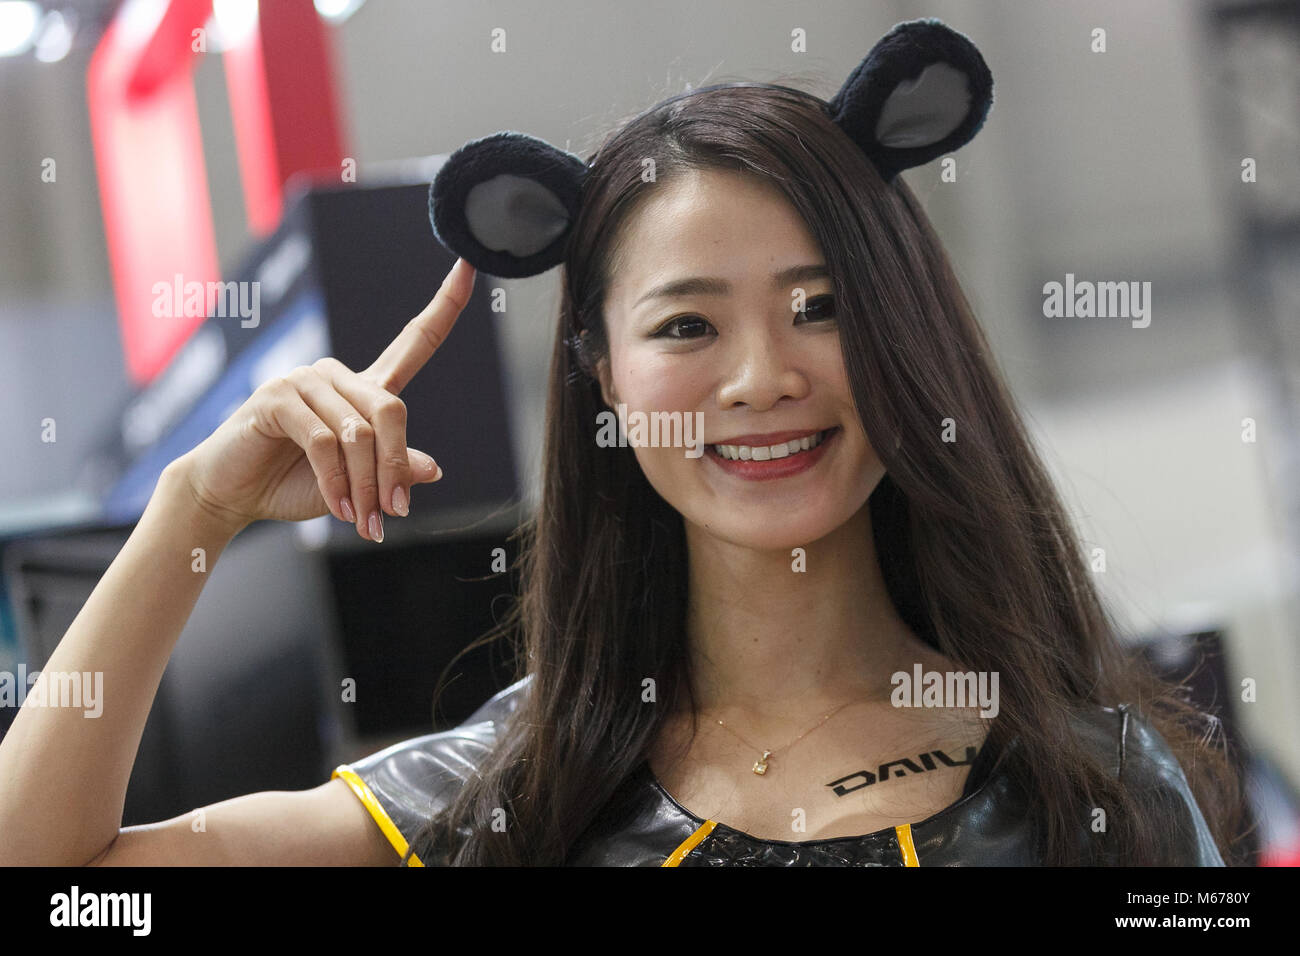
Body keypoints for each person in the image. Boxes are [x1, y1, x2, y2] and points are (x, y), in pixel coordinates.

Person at [0, 19, 1241, 867]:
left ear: (903, 325)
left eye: (819, 307)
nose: (763, 376)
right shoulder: (510, 793)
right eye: (688, 323)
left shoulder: (1099, 781)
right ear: (603, 369)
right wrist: (189, 513)